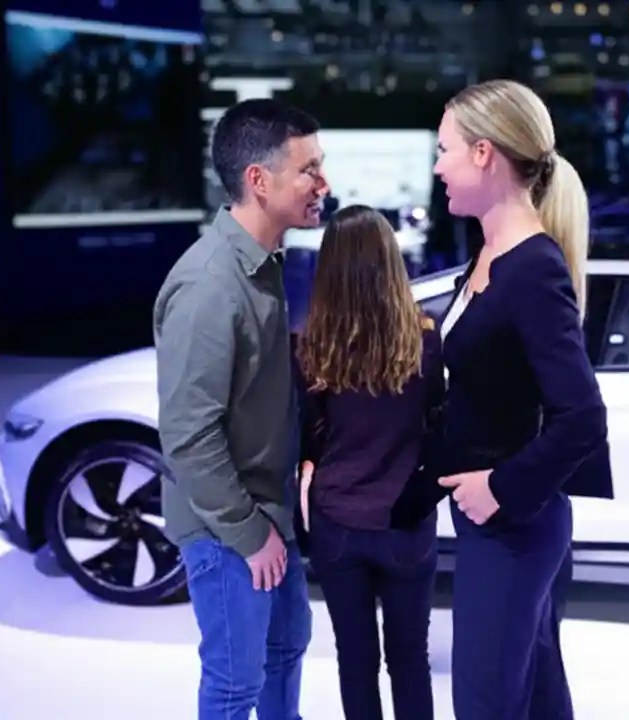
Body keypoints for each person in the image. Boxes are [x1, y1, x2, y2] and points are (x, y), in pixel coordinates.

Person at [423, 78, 613, 719]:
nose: (438, 167)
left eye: (445, 149)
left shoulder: (531, 266)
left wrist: (501, 487)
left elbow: (582, 416)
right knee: (534, 698)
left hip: (513, 528)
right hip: (499, 527)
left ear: (484, 154)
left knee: (488, 705)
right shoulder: (493, 256)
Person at [153, 97, 329, 720]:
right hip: (229, 529)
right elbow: (189, 435)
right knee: (234, 687)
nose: (323, 184)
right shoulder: (210, 285)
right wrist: (250, 536)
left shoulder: (261, 266)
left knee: (284, 651)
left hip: (267, 515)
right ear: (259, 180)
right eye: (308, 169)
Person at [295, 204, 445, 720]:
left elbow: (310, 439)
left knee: (355, 661)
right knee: (410, 659)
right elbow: (437, 424)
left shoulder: (313, 347)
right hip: (405, 523)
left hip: (337, 523)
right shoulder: (425, 339)